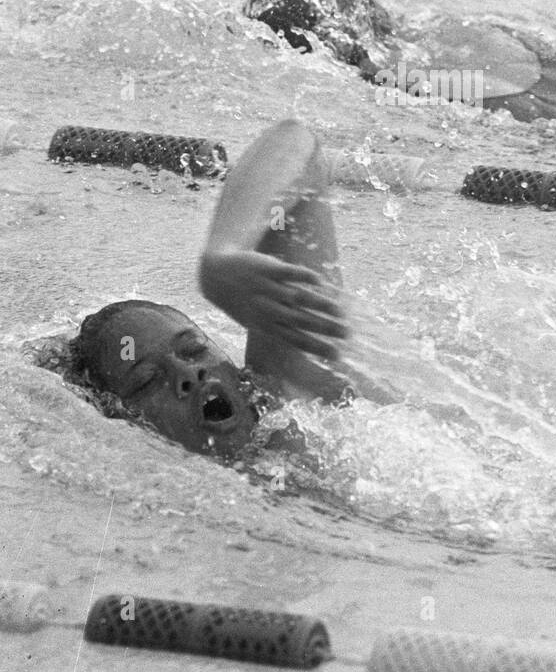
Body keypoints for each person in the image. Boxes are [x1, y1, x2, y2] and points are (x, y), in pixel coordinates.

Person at [66, 121, 356, 459]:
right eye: (146, 380)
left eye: (194, 350)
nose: (188, 373)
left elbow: (296, 142)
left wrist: (225, 251)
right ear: (125, 422)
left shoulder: (296, 393)